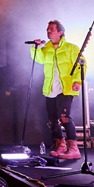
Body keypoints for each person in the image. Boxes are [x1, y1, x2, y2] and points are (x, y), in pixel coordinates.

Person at [31, 20, 83, 160]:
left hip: (65, 88)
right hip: (50, 88)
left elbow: (80, 65)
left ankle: (74, 148)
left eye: (51, 29)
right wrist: (36, 48)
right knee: (52, 119)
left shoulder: (71, 48)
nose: (48, 31)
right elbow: (39, 59)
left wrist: (77, 81)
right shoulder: (46, 48)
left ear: (60, 32)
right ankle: (61, 145)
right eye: (47, 29)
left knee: (64, 117)